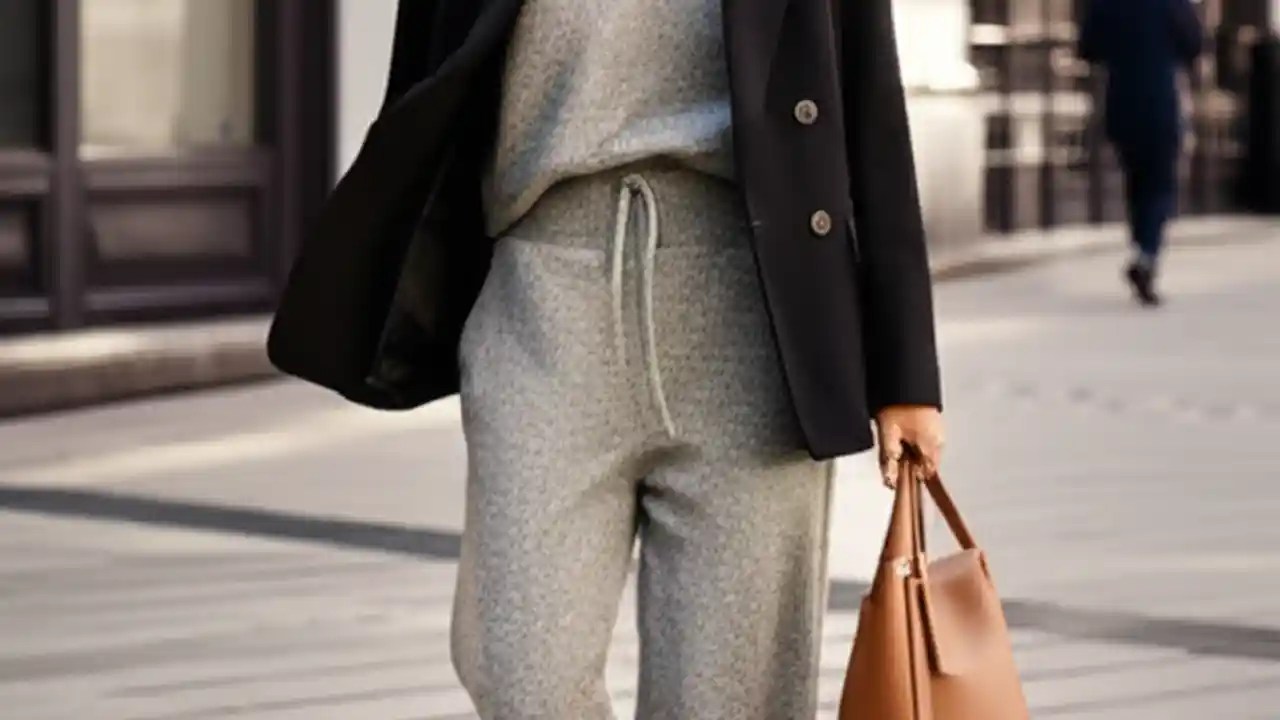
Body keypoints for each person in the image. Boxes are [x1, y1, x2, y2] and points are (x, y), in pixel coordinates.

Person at [268, 0, 944, 716]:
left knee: (738, 697)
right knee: (521, 675)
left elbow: (871, 106)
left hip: (757, 318)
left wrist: (905, 375)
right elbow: (425, 81)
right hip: (543, 303)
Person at [1080, 0, 1204, 306]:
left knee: (1136, 180)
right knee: (1160, 184)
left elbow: (1088, 48)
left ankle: (1140, 246)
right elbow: (1193, 44)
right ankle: (1146, 253)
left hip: (1120, 101)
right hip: (1161, 101)